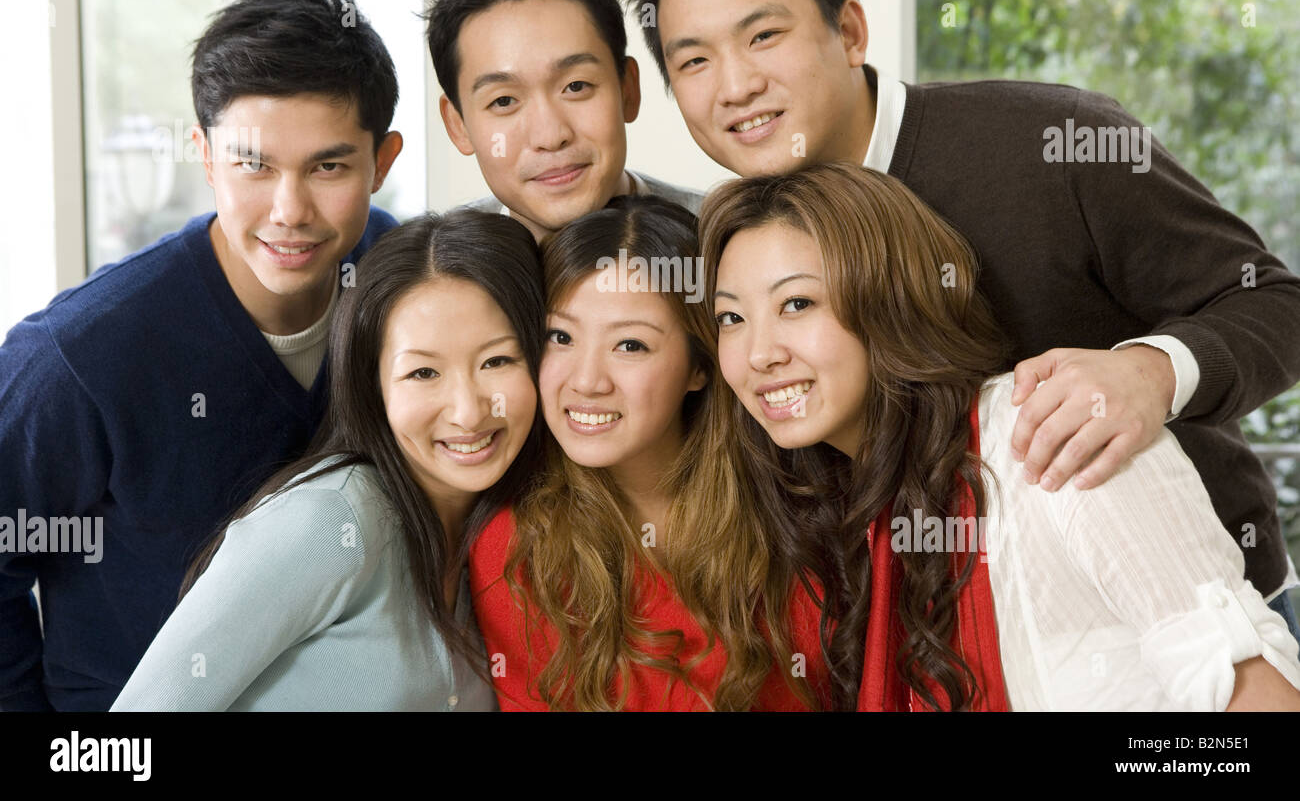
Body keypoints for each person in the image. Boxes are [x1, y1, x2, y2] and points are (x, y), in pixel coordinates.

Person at [621, 0, 1300, 624]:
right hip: (959, 653)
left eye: (764, 36)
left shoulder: (1053, 142)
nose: (735, 85)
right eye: (693, 60)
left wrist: (1149, 374)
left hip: (1197, 622)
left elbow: (1274, 301)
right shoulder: (728, 244)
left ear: (849, 31)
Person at [703, 161, 1300, 711]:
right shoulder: (840, 511)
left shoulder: (1051, 436)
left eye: (797, 303)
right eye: (732, 318)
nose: (758, 354)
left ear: (891, 300)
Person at [0, 0, 403, 710]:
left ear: (384, 161)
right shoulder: (83, 353)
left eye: (328, 167)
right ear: (206, 155)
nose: (290, 211)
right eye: (254, 165)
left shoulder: (410, 290)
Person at [112, 211, 543, 710]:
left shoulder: (501, 542)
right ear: (373, 386)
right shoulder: (331, 521)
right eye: (423, 373)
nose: (468, 411)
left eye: (497, 361)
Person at [469, 196, 829, 710]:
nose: (586, 381)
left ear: (699, 366)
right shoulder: (517, 550)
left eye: (630, 345)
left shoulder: (795, 505)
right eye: (560, 336)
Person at [424, 0, 703, 240]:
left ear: (628, 89)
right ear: (458, 125)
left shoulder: (720, 241)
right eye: (503, 101)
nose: (551, 137)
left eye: (575, 86)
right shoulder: (436, 272)